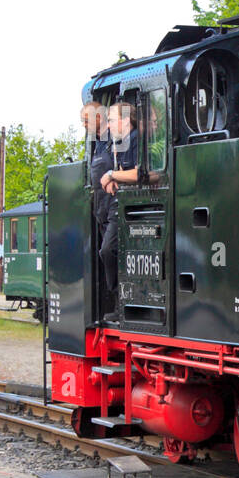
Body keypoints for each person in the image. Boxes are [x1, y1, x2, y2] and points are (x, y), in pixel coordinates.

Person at [94, 100, 139, 317]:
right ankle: (119, 303)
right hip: (117, 206)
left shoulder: (136, 140)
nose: (108, 125)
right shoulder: (120, 144)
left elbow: (142, 173)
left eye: (111, 120)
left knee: (108, 250)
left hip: (132, 207)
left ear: (125, 120)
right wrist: (114, 177)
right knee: (108, 250)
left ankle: (121, 303)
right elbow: (123, 171)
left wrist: (112, 175)